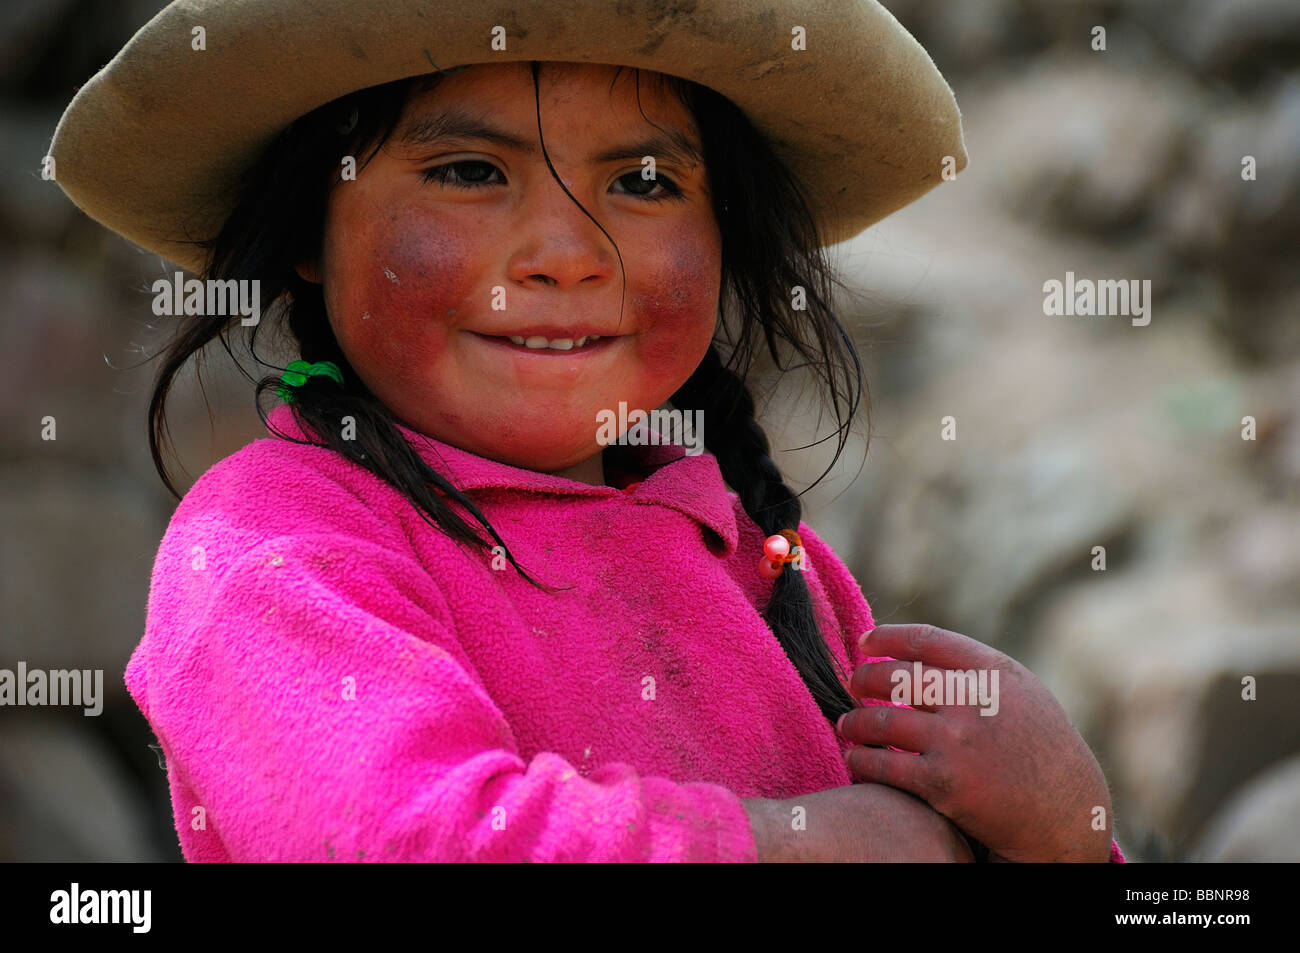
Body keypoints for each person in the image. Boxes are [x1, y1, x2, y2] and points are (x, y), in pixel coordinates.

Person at [49, 0, 1124, 862]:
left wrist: (1060, 833)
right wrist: (783, 842)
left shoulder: (774, 564)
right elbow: (399, 839)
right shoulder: (274, 550)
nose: (566, 252)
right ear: (305, 236)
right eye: (469, 172)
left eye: (644, 181)